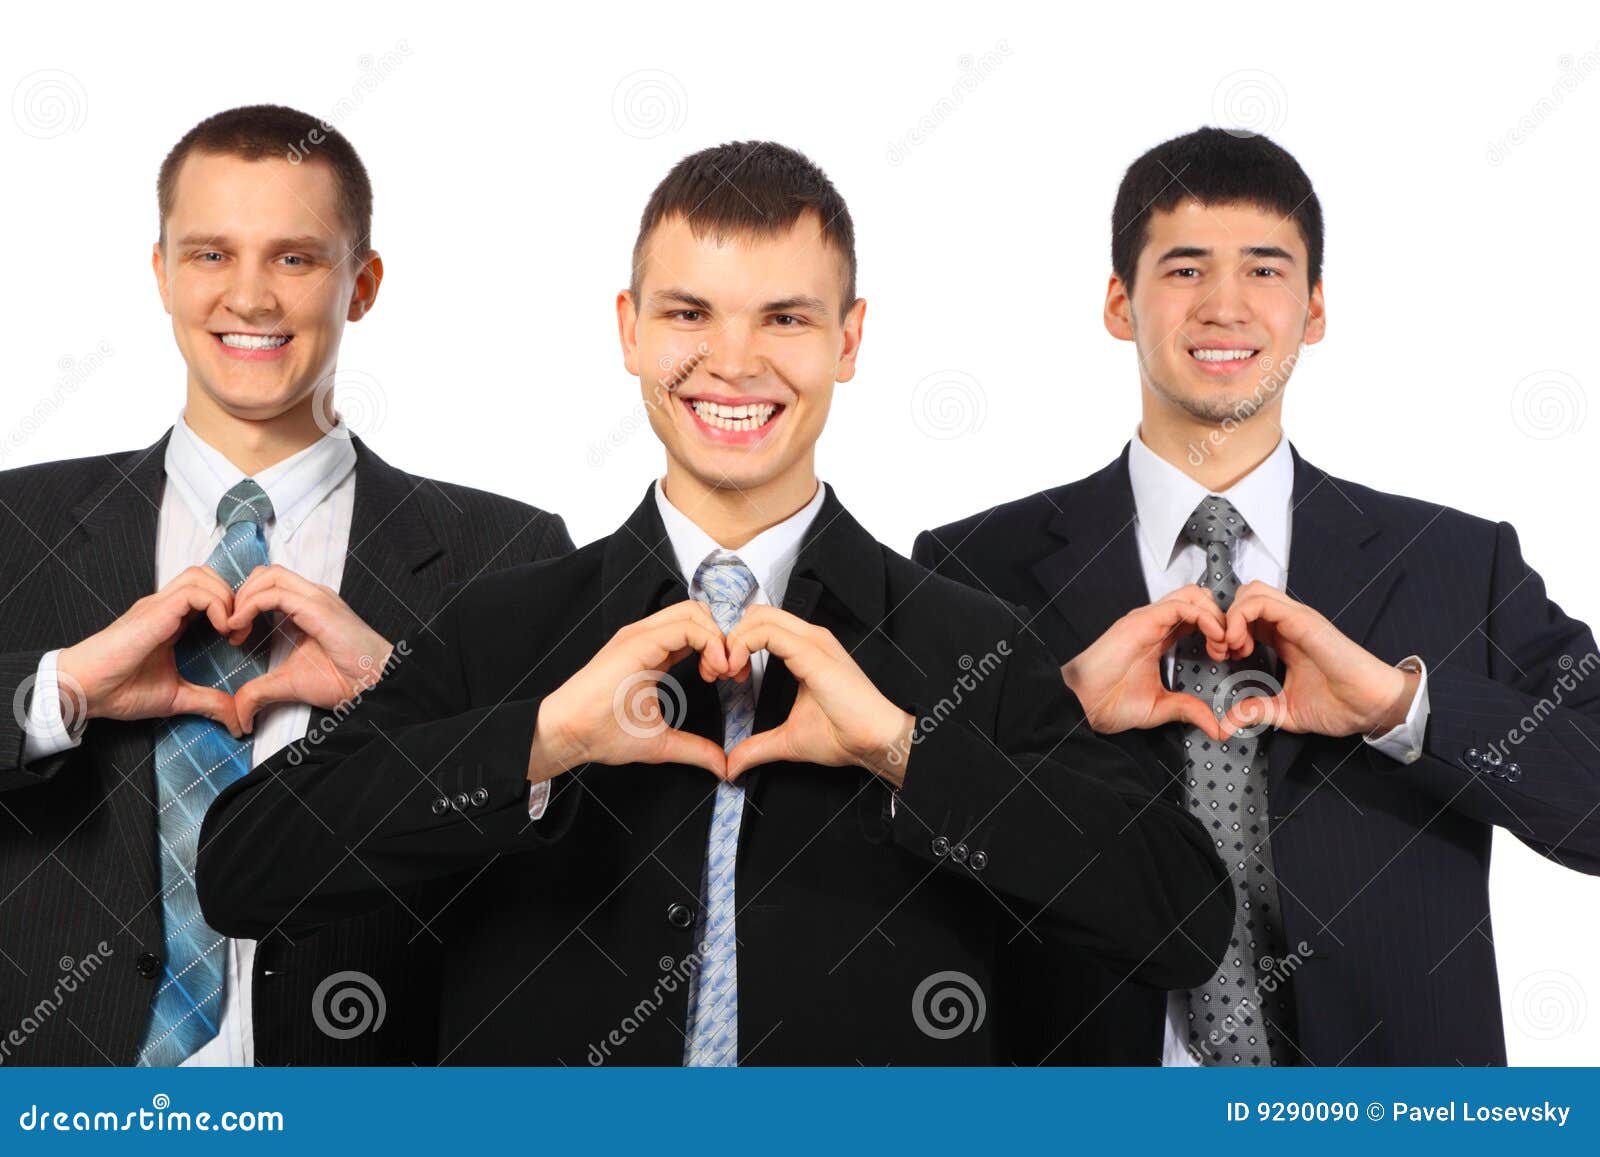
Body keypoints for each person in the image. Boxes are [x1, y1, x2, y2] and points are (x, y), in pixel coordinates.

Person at [197, 140, 1234, 1065]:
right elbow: (245, 869)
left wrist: (905, 752)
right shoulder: (502, 629)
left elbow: (1184, 917)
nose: (732, 361)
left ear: (849, 339)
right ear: (630, 330)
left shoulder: (968, 641)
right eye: (689, 313)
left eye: (784, 317)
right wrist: (539, 737)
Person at [913, 126, 1600, 1066]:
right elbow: (882, 870)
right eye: (1185, 269)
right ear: (1121, 303)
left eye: (1266, 271)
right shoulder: (971, 564)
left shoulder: (1457, 562)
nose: (1225, 306)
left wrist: (1410, 710)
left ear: (1315, 309)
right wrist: (1052, 719)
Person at [0, 105, 571, 1066]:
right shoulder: (17, 528)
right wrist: (58, 692)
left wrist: (408, 704)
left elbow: (583, 863)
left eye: (296, 258)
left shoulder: (508, 550)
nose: (251, 297)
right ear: (162, 273)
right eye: (212, 254)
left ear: (364, 283)